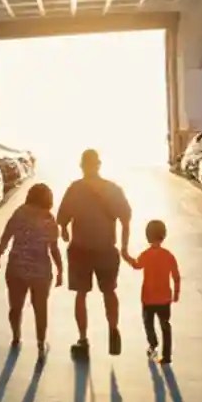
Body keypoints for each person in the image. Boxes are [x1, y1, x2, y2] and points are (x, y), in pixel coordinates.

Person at [57, 149, 132, 358]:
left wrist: (64, 231)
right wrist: (124, 248)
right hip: (106, 249)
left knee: (81, 294)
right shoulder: (113, 189)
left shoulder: (75, 189)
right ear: (98, 165)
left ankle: (82, 340)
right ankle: (113, 329)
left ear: (82, 166)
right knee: (109, 292)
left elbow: (62, 218)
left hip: (80, 249)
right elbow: (126, 219)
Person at [0, 183, 63, 359]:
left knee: (15, 307)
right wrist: (61, 269)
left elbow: (6, 237)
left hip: (16, 268)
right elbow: (53, 248)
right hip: (40, 271)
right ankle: (40, 345)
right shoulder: (48, 218)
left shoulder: (19, 213)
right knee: (41, 309)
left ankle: (16, 337)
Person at [122, 220, 180, 364]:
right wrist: (176, 293)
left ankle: (153, 343)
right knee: (165, 325)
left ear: (148, 236)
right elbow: (176, 276)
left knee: (148, 324)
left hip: (148, 298)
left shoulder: (146, 255)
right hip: (165, 298)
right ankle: (167, 356)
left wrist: (125, 256)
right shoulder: (169, 255)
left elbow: (136, 265)